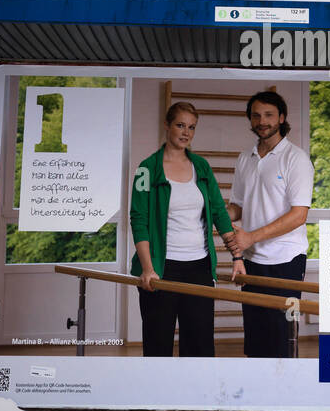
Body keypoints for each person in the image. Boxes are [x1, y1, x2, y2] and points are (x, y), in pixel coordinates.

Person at [129, 101, 235, 356]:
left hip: (199, 268)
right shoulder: (147, 168)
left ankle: (196, 396)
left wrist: (237, 255)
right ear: (167, 125)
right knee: (158, 345)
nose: (186, 132)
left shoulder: (202, 166)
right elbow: (139, 220)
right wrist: (147, 269)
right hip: (162, 268)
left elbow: (220, 212)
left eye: (191, 127)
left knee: (199, 347)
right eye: (180, 125)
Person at [226, 89, 315, 358]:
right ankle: (257, 395)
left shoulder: (296, 159)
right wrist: (208, 213)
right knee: (255, 335)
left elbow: (299, 215)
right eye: (256, 116)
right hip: (252, 261)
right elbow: (237, 208)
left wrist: (251, 237)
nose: (262, 121)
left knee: (282, 337)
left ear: (282, 118)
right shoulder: (246, 158)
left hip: (286, 260)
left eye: (268, 115)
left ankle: (285, 396)